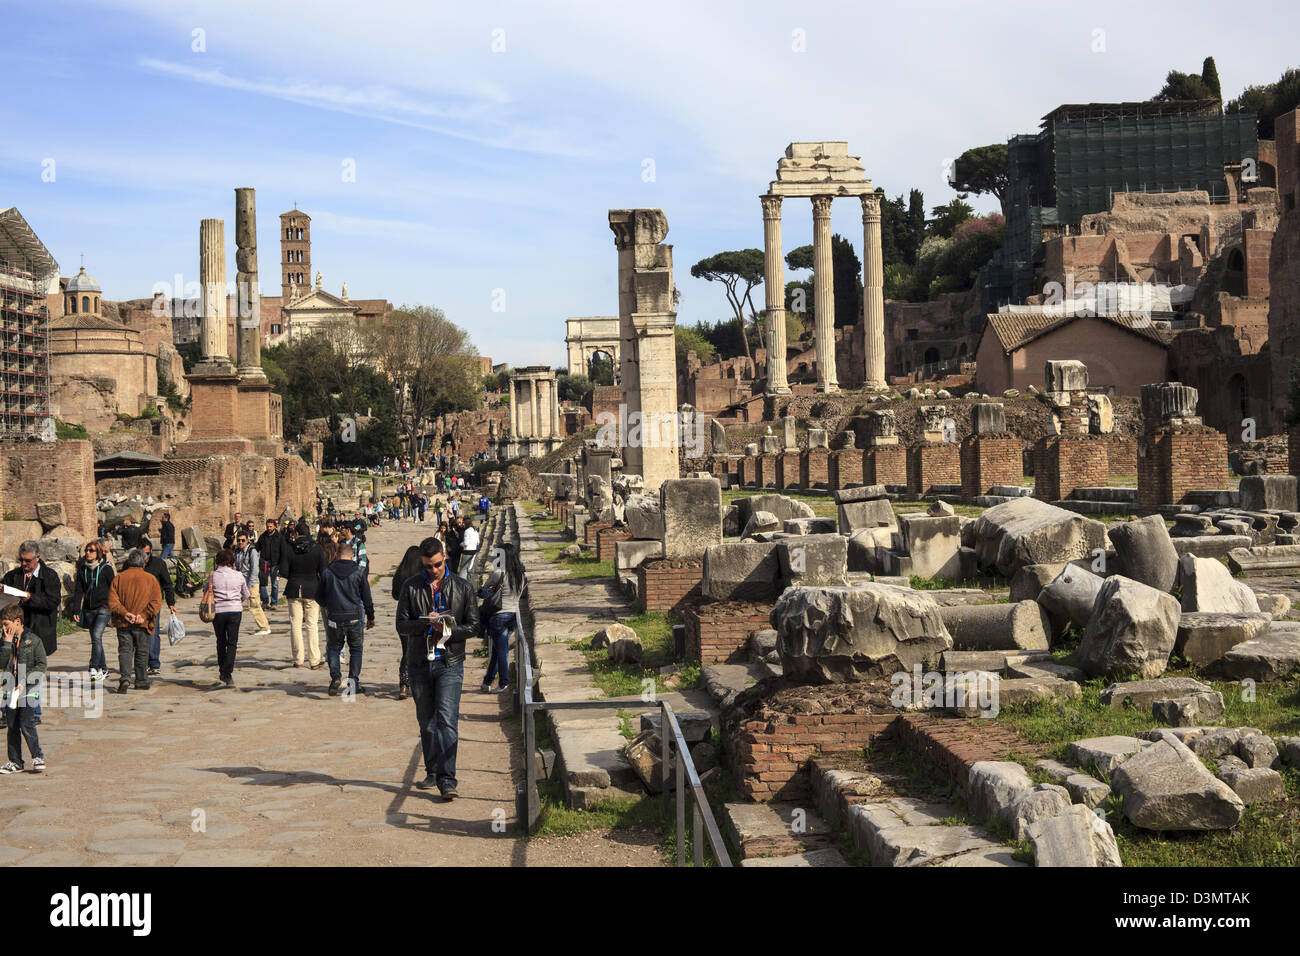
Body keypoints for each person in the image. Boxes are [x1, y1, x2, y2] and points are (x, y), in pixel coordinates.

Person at [395, 537, 479, 799]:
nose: (433, 570)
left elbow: (474, 626)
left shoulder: (463, 588)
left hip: (449, 662)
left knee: (447, 720)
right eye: (428, 566)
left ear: (445, 557)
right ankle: (432, 771)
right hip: (420, 661)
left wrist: (447, 630)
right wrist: (425, 626)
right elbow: (401, 625)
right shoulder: (411, 587)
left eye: (437, 565)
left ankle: (447, 779)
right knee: (427, 723)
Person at [2, 542, 60, 727]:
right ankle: (7, 711)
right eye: (21, 560)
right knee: (10, 670)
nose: (24, 564)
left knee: (33, 672)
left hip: (39, 630)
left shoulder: (50, 576)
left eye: (27, 561)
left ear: (37, 558)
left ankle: (34, 712)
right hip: (15, 631)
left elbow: (52, 602)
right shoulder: (13, 576)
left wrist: (30, 598)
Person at [315, 540, 375, 696]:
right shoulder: (358, 572)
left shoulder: (328, 572)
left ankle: (335, 675)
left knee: (333, 648)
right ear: (352, 555)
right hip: (354, 616)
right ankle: (352, 683)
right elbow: (366, 597)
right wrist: (371, 616)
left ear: (336, 555)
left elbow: (318, 596)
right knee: (356, 649)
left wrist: (327, 604)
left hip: (334, 617)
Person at [107, 549, 161, 694]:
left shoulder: (118, 578)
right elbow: (156, 602)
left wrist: (125, 614)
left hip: (123, 622)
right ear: (144, 562)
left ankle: (125, 679)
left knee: (125, 651)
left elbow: (113, 601)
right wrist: (143, 615)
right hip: (142, 623)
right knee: (142, 652)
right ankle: (141, 681)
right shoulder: (151, 579)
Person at [0, 605, 46, 774]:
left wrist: (26, 681)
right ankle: (15, 761)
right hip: (9, 689)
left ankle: (37, 756)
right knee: (11, 725)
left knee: (27, 723)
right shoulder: (4, 640)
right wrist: (5, 644)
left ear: (17, 621)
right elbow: (2, 663)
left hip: (28, 690)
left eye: (6, 625)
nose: (4, 629)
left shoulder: (33, 640)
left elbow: (41, 663)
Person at [477, 541, 525, 694]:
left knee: (502, 652)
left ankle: (504, 682)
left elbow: (484, 589)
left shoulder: (499, 573)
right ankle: (488, 681)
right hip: (513, 616)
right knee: (498, 651)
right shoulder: (520, 575)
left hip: (499, 616)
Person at [281, 523, 326, 670]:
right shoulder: (317, 548)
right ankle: (314, 660)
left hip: (294, 588)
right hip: (312, 589)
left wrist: (294, 576)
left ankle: (298, 659)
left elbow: (284, 571)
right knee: (312, 625)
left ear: (296, 533)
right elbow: (323, 570)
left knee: (295, 624)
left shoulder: (290, 548)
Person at [72, 540, 113, 683]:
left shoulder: (106, 569)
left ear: (99, 553)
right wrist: (76, 609)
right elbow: (79, 590)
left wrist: (115, 610)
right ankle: (104, 669)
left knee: (96, 636)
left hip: (103, 608)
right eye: (86, 550)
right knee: (96, 640)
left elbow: (114, 589)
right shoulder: (82, 569)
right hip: (88, 609)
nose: (88, 553)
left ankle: (93, 667)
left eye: (91, 550)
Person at [208, 548, 248, 688]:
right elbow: (246, 594)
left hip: (218, 611)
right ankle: (227, 672)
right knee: (232, 642)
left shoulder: (212, 576)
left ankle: (222, 668)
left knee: (221, 641)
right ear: (232, 561)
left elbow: (207, 590)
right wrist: (237, 600)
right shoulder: (238, 575)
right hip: (235, 611)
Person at [139, 539, 177, 676]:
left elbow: (167, 584)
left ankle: (154, 663)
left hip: (153, 603)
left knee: (153, 632)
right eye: (142, 554)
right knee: (138, 633)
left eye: (147, 554)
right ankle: (141, 662)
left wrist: (171, 602)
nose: (145, 557)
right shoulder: (131, 564)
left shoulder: (158, 564)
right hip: (136, 604)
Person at [391, 543, 425, 700]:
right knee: (422, 650)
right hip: (420, 616)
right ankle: (419, 683)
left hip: (404, 616)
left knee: (407, 651)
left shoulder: (401, 573)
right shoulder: (423, 575)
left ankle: (404, 685)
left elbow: (395, 594)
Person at [233, 532, 272, 637]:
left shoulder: (252, 551)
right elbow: (237, 567)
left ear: (247, 541)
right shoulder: (237, 551)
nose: (240, 542)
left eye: (243, 540)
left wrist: (249, 586)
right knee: (234, 604)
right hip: (241, 582)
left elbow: (254, 569)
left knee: (254, 605)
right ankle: (231, 627)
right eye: (238, 540)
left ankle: (265, 627)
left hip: (251, 583)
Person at [256, 518, 286, 609]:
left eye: (270, 526)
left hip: (275, 563)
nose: (269, 528)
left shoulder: (280, 537)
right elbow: (257, 548)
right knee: (263, 583)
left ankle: (274, 603)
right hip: (264, 562)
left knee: (274, 584)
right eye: (267, 526)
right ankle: (265, 601)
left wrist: (282, 565)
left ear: (274, 526)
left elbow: (283, 551)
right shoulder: (263, 536)